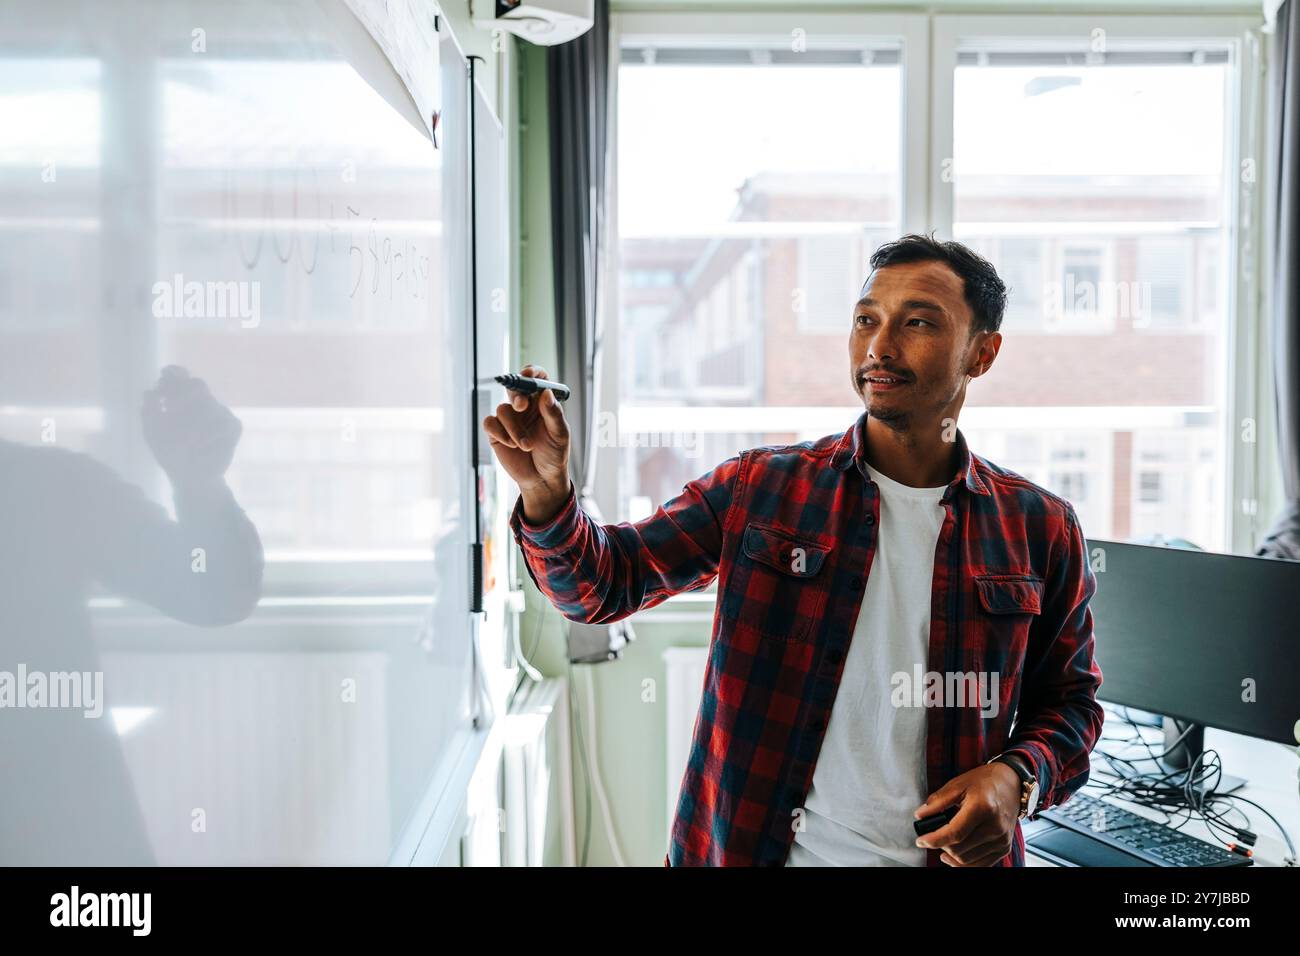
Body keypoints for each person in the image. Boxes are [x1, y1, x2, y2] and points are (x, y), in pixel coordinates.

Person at [484, 233, 1104, 867]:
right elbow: (603, 585)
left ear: (983, 352)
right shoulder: (763, 488)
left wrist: (1015, 781)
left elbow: (1071, 706)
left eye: (917, 322)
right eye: (867, 319)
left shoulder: (1040, 527)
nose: (880, 346)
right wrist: (546, 490)